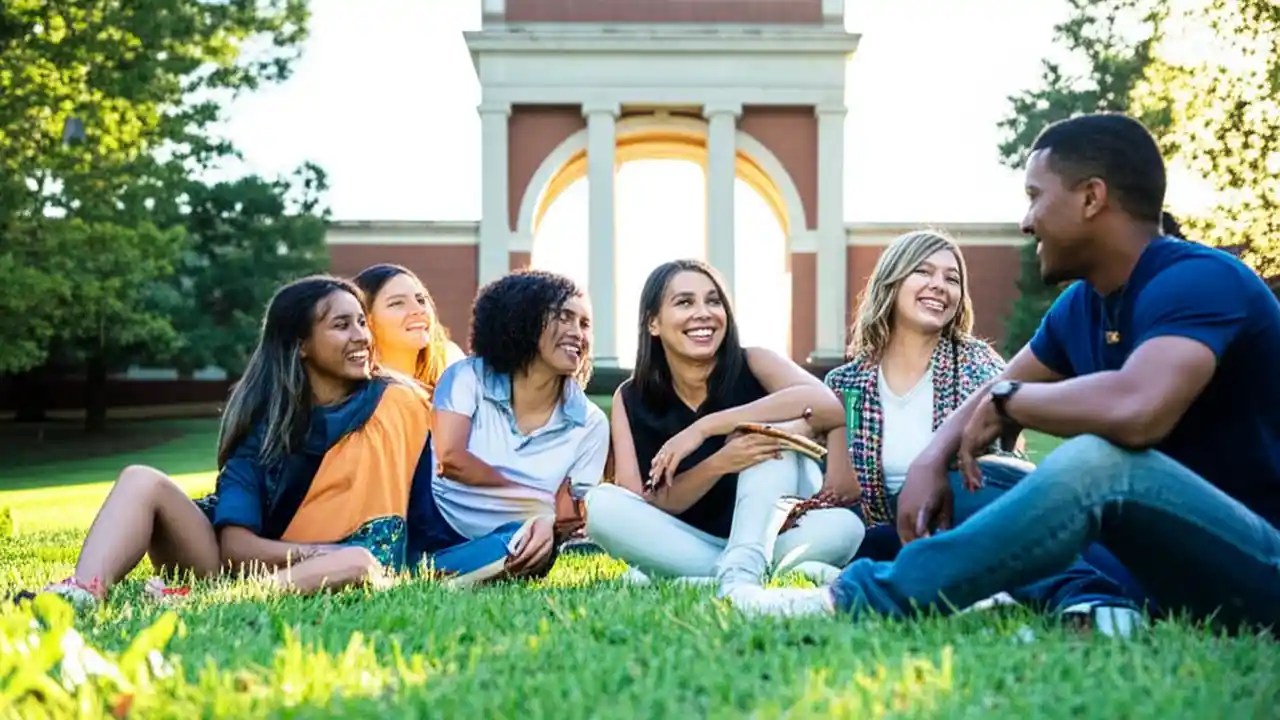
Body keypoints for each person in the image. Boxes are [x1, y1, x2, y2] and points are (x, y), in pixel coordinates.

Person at [732, 113, 1280, 632]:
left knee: (1096, 463)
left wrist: (1010, 403)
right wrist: (930, 462)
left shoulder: (1198, 281)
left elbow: (1138, 413)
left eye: (1035, 197)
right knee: (968, 479)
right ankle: (1100, 604)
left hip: (1255, 561)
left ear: (1092, 197)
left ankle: (857, 599)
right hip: (1157, 559)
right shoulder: (1081, 307)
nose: (1025, 220)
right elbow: (994, 396)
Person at [26, 275, 434, 608]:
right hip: (223, 556)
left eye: (361, 321)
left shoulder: (393, 403)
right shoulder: (266, 423)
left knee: (359, 562)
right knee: (140, 478)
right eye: (341, 325)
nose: (362, 336)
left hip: (337, 560)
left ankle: (204, 602)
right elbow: (236, 547)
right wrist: (314, 553)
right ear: (301, 345)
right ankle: (83, 592)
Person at [584, 259, 866, 599]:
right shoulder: (630, 397)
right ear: (653, 323)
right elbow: (644, 504)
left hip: (771, 533)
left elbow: (828, 406)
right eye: (685, 302)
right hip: (686, 537)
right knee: (602, 506)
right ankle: (739, 573)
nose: (704, 313)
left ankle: (720, 573)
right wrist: (722, 461)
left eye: (713, 301)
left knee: (843, 526)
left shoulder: (755, 363)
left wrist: (705, 427)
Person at [408, 269, 610, 581]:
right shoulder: (467, 377)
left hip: (515, 538)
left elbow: (568, 513)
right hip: (434, 521)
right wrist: (539, 504)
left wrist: (549, 522)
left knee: (525, 543)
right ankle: (439, 570)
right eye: (565, 317)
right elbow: (451, 460)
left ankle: (443, 574)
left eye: (585, 324)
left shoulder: (591, 423)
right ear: (523, 319)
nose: (577, 332)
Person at [352, 263, 466, 399]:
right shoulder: (359, 401)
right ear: (365, 319)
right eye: (397, 303)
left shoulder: (453, 369)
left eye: (420, 300)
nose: (418, 310)